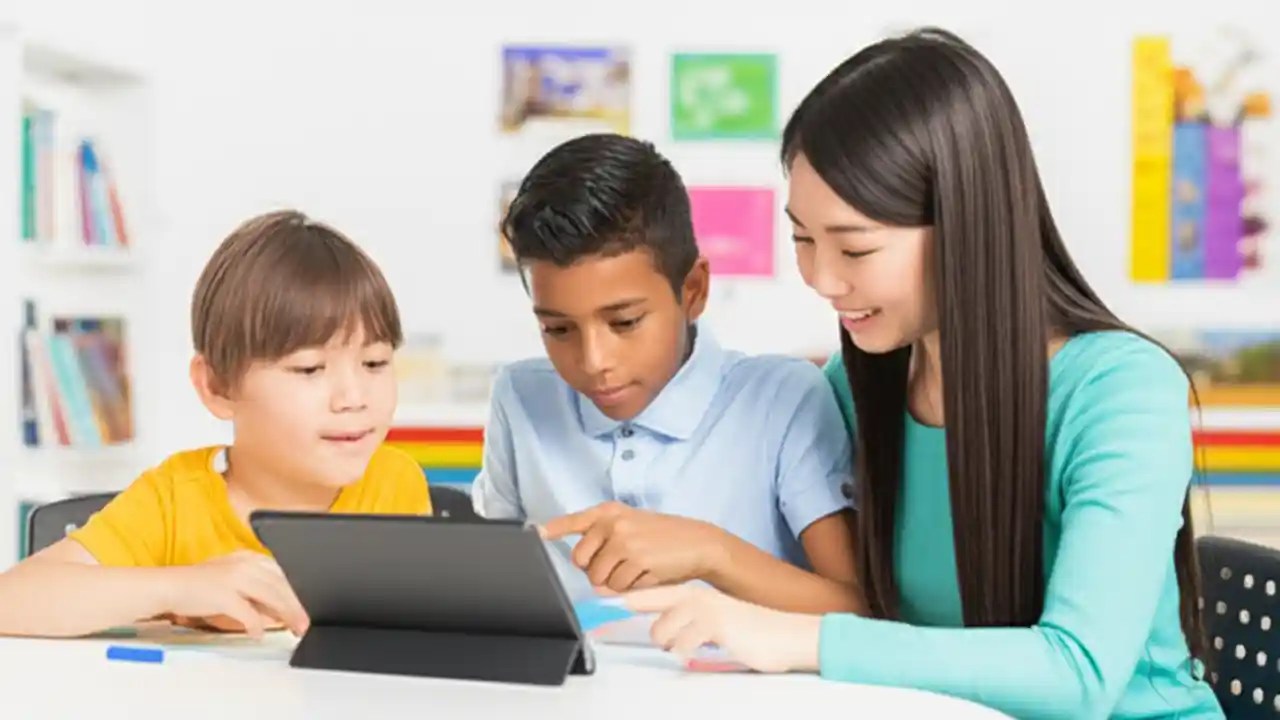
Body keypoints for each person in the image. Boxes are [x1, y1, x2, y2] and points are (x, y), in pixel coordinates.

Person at [619, 28, 1225, 720]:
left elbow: (1079, 674)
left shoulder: (1123, 392)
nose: (821, 278)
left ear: (964, 226)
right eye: (803, 239)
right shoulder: (859, 385)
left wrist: (805, 639)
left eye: (855, 246)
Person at [471, 133, 861, 612]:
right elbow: (489, 586)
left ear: (693, 290)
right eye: (557, 328)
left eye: (625, 322)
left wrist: (711, 553)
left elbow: (856, 607)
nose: (594, 361)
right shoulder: (520, 397)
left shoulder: (783, 399)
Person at [0, 210, 432, 638]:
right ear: (217, 387)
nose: (353, 398)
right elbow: (10, 602)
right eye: (309, 369)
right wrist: (180, 587)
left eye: (375, 363)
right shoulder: (172, 502)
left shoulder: (394, 484)